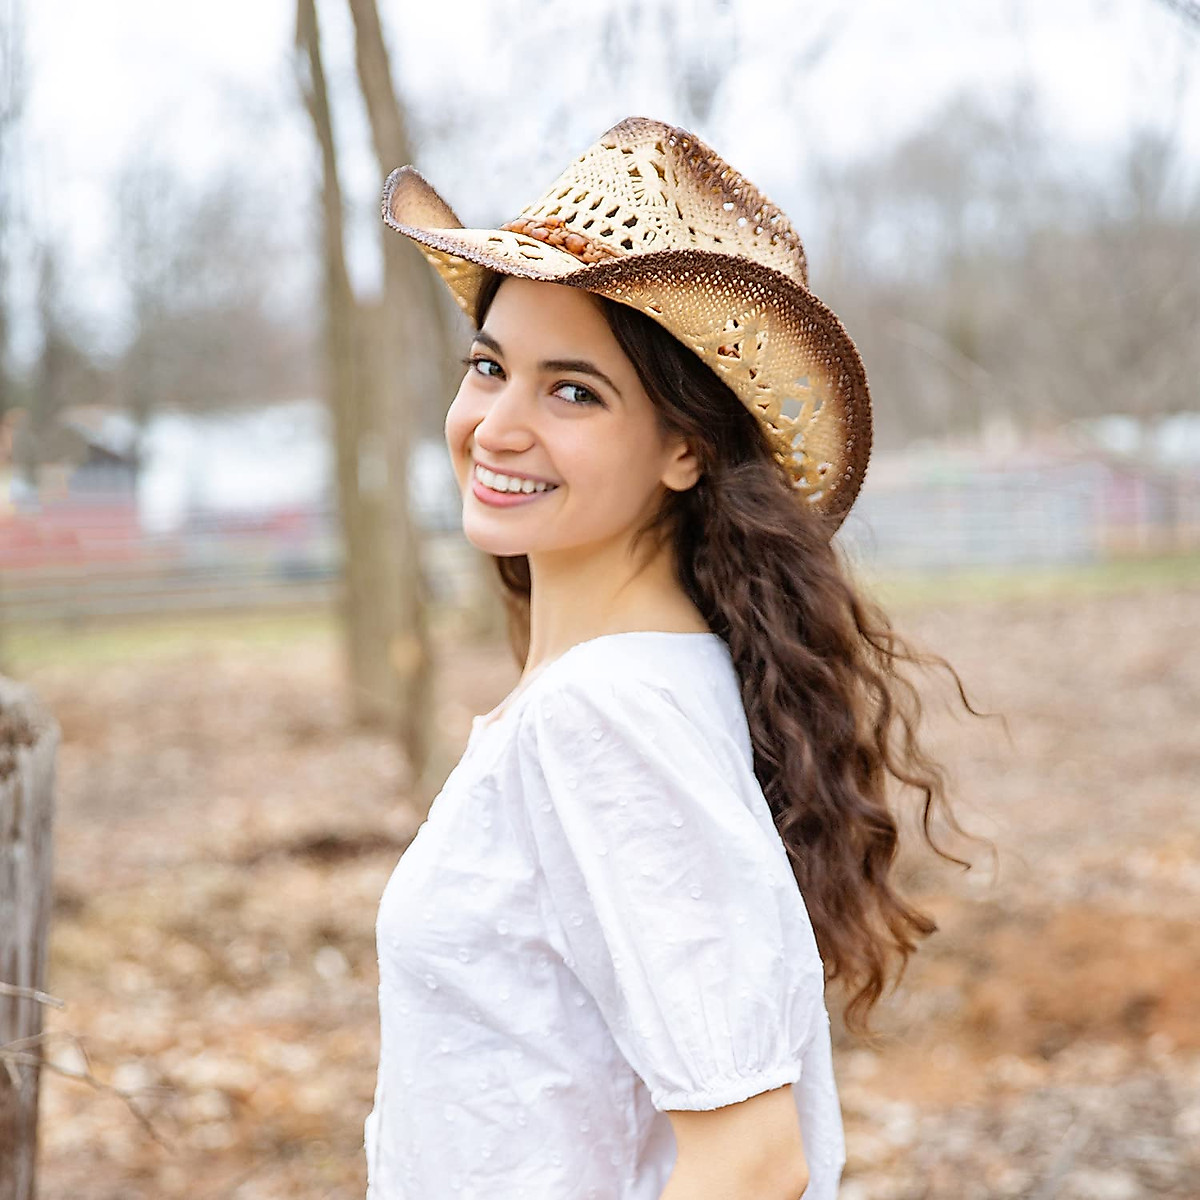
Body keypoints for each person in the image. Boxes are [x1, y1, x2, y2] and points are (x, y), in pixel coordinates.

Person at [365, 116, 982, 1200]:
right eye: (489, 366)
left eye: (573, 390)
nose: (497, 425)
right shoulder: (645, 682)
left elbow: (750, 1162)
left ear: (685, 445)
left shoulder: (603, 719)